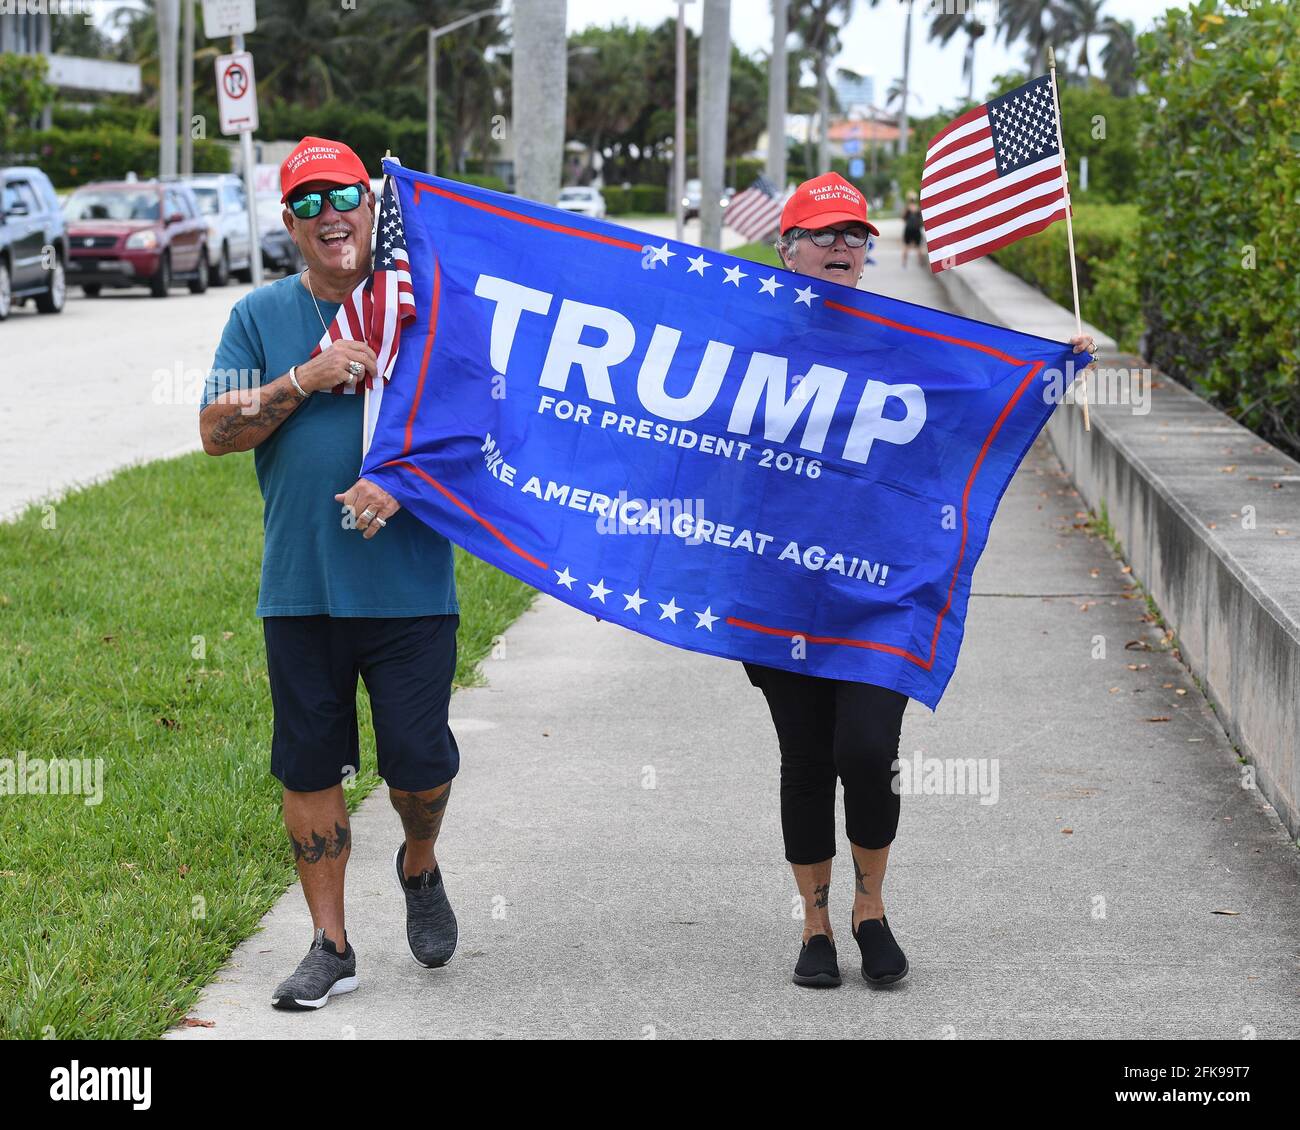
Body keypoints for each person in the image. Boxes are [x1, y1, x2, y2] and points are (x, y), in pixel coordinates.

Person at [762, 172, 1095, 990]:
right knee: (806, 757)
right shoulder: (749, 340)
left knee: (867, 751)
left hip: (884, 588)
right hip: (779, 588)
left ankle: (870, 911)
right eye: (824, 234)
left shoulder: (909, 341)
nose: (842, 247)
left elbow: (979, 401)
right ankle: (813, 925)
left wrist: (1053, 368)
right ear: (786, 248)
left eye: (854, 236)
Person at [198, 137, 462, 1011]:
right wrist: (303, 379)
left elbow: (476, 433)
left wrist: (405, 484)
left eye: (342, 196)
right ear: (289, 224)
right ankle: (331, 944)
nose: (328, 216)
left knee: (420, 771)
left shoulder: (427, 307)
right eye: (307, 204)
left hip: (411, 588)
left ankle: (418, 866)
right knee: (308, 771)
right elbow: (215, 431)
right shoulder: (260, 316)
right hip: (302, 589)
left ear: (372, 204)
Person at [901, 191, 924, 267]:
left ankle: (904, 262)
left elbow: (903, 218)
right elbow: (921, 219)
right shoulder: (918, 208)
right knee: (918, 247)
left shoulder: (907, 208)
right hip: (917, 229)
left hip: (908, 229)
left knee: (906, 246)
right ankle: (920, 262)